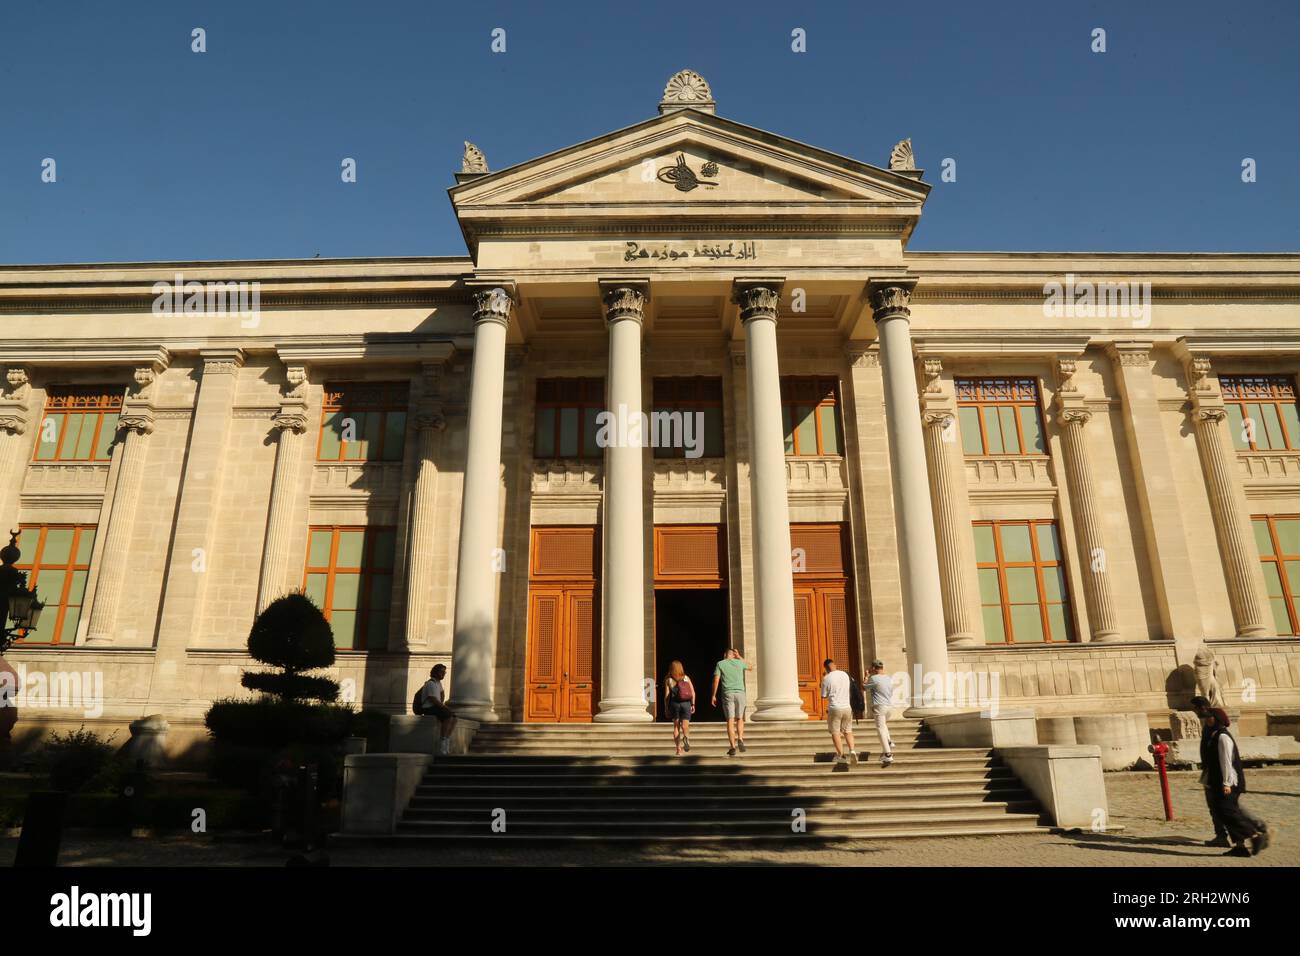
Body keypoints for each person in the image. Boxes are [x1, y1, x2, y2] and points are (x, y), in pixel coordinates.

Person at [1199, 705, 1270, 857]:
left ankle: (1255, 836)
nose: (1206, 720)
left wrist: (1226, 783)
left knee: (1228, 812)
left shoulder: (1223, 737)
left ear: (1216, 719)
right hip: (1217, 781)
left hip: (1229, 782)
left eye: (1209, 717)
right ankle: (1240, 846)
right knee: (1224, 813)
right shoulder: (1215, 734)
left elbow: (1226, 762)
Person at [711, 647, 751, 756]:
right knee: (740, 718)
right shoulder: (740, 663)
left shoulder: (720, 664)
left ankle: (732, 747)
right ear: (733, 655)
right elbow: (751, 667)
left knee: (730, 720)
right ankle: (741, 738)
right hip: (740, 693)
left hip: (728, 693)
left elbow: (716, 680)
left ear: (725, 655)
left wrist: (713, 695)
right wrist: (739, 657)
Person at [820, 658, 856, 768]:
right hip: (847, 707)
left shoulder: (826, 678)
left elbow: (823, 695)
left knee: (835, 732)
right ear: (834, 665)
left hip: (835, 707)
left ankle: (841, 755)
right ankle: (852, 751)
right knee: (848, 731)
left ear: (826, 668)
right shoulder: (845, 675)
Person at [418, 664, 457, 755]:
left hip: (435, 707)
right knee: (448, 716)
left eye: (444, 672)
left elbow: (441, 694)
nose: (443, 674)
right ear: (435, 672)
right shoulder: (430, 683)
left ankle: (447, 739)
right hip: (428, 708)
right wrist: (444, 707)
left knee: (454, 718)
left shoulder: (438, 683)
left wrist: (442, 696)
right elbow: (433, 700)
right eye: (441, 672)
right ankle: (443, 740)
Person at [663, 661, 696, 756]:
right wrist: (693, 704)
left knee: (676, 727)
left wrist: (666, 708)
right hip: (686, 704)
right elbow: (693, 692)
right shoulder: (686, 678)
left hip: (674, 704)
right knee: (685, 726)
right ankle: (686, 737)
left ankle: (678, 749)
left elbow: (667, 696)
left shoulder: (669, 680)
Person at [865, 659, 894, 767]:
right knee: (884, 725)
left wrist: (866, 676)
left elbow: (863, 687)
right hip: (889, 706)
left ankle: (887, 753)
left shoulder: (873, 678)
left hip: (879, 706)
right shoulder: (888, 678)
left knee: (880, 728)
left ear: (873, 668)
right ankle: (889, 741)